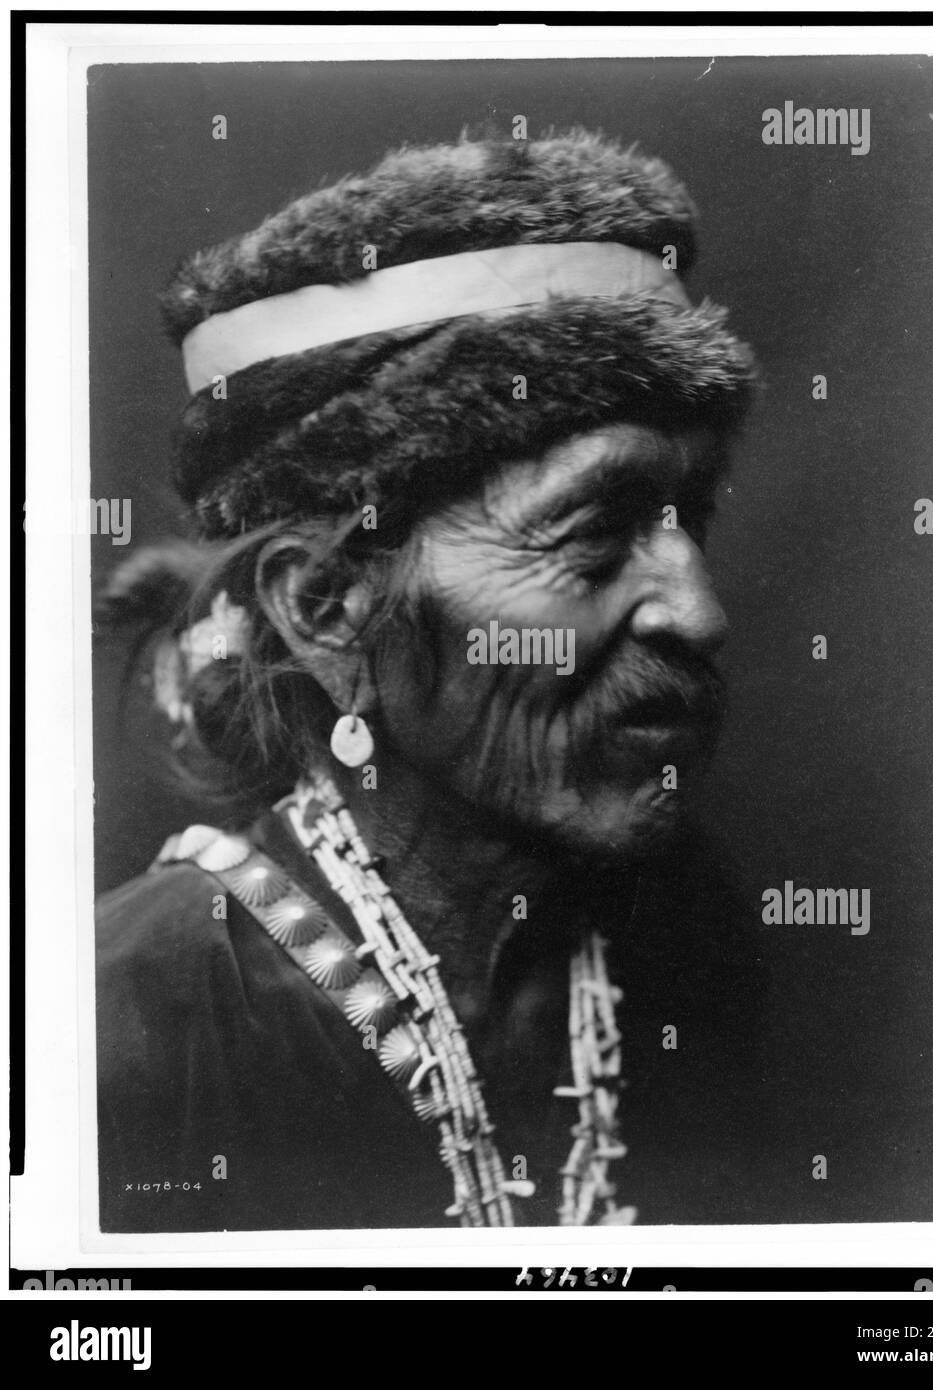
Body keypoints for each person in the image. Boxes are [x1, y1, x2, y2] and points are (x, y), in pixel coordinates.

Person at [96, 130, 765, 1232]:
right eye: (593, 536)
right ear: (326, 608)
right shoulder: (127, 1029)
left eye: (688, 519)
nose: (697, 612)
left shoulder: (683, 938)